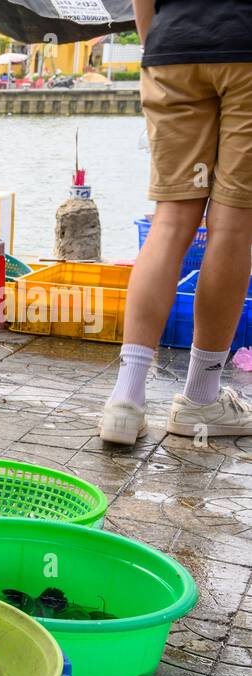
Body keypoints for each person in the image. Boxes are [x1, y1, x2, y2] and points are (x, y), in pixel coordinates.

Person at [99, 0, 252, 444]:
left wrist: (159, 44)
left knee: (170, 219)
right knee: (233, 225)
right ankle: (201, 399)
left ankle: (126, 401)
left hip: (174, 47)